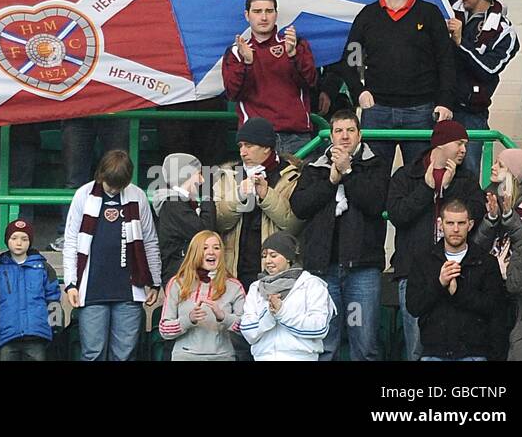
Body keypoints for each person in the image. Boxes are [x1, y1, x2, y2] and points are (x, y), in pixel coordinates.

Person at [331, 0, 457, 165]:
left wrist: (445, 101)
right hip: (377, 110)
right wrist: (359, 92)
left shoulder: (429, 13)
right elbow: (349, 60)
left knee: (419, 178)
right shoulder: (367, 15)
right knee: (372, 177)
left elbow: (446, 60)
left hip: (421, 110)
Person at [290, 110, 389, 361]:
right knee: (325, 346)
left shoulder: (375, 163)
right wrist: (331, 180)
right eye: (339, 131)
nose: (345, 136)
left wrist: (348, 172)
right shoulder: (316, 166)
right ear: (331, 136)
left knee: (365, 345)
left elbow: (374, 203)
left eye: (350, 130)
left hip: (362, 269)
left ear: (360, 134)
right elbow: (300, 206)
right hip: (323, 270)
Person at [387, 120, 485, 362]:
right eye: (459, 143)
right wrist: (426, 188)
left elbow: (475, 213)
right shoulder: (407, 175)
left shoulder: (466, 178)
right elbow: (398, 215)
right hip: (414, 270)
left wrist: (448, 189)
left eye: (465, 144)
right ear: (441, 143)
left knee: (455, 347)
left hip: (456, 268)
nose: (464, 149)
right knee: (417, 350)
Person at [62, 149, 162, 361]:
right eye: (110, 184)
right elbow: (71, 242)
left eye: (120, 186)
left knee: (124, 355)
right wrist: (71, 283)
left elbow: (150, 241)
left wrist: (154, 281)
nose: (115, 189)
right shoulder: (83, 194)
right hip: (92, 290)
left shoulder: (138, 196)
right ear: (101, 175)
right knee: (93, 353)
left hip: (129, 290)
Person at [214, 117, 303, 312]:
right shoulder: (228, 175)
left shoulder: (290, 175)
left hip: (275, 274)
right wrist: (239, 196)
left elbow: (292, 224)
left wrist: (266, 194)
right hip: (233, 273)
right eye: (240, 146)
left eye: (249, 145)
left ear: (267, 147)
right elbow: (219, 221)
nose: (242, 151)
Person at [405, 198, 507, 361]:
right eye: (450, 223)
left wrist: (459, 291)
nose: (455, 229)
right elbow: (414, 306)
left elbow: (494, 307)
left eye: (461, 223)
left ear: (470, 225)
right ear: (440, 224)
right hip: (433, 352)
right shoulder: (423, 260)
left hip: (474, 353)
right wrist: (439, 284)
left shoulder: (486, 262)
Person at [221, 0, 317, 156]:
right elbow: (233, 94)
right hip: (255, 139)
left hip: (296, 136)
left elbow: (311, 82)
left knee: (301, 183)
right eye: (257, 11)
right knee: (256, 184)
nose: (264, 17)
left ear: (276, 14)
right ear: (247, 15)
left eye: (269, 11)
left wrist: (293, 55)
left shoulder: (296, 44)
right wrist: (248, 63)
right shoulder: (237, 51)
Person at [447, 0, 522, 174]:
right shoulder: (450, 12)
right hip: (439, 107)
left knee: (467, 174)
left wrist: (461, 42)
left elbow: (489, 69)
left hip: (471, 113)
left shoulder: (504, 32)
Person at [239, 231, 336, 361]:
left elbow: (319, 328)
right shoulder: (256, 287)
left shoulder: (312, 284)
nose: (267, 261)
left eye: (274, 255)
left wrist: (282, 313)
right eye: (264, 256)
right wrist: (269, 315)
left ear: (289, 257)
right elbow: (247, 330)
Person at [158, 230, 246, 361]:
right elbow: (164, 330)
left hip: (222, 356)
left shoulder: (234, 286)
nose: (211, 252)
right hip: (185, 356)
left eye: (216, 248)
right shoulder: (177, 283)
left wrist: (224, 317)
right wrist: (189, 320)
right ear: (195, 252)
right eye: (205, 248)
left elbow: (247, 328)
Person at [0, 217, 60, 361]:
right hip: (7, 336)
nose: (19, 243)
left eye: (24, 239)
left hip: (37, 334)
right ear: (7, 240)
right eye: (14, 238)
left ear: (30, 242)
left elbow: (53, 298)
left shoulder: (43, 268)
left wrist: (55, 327)